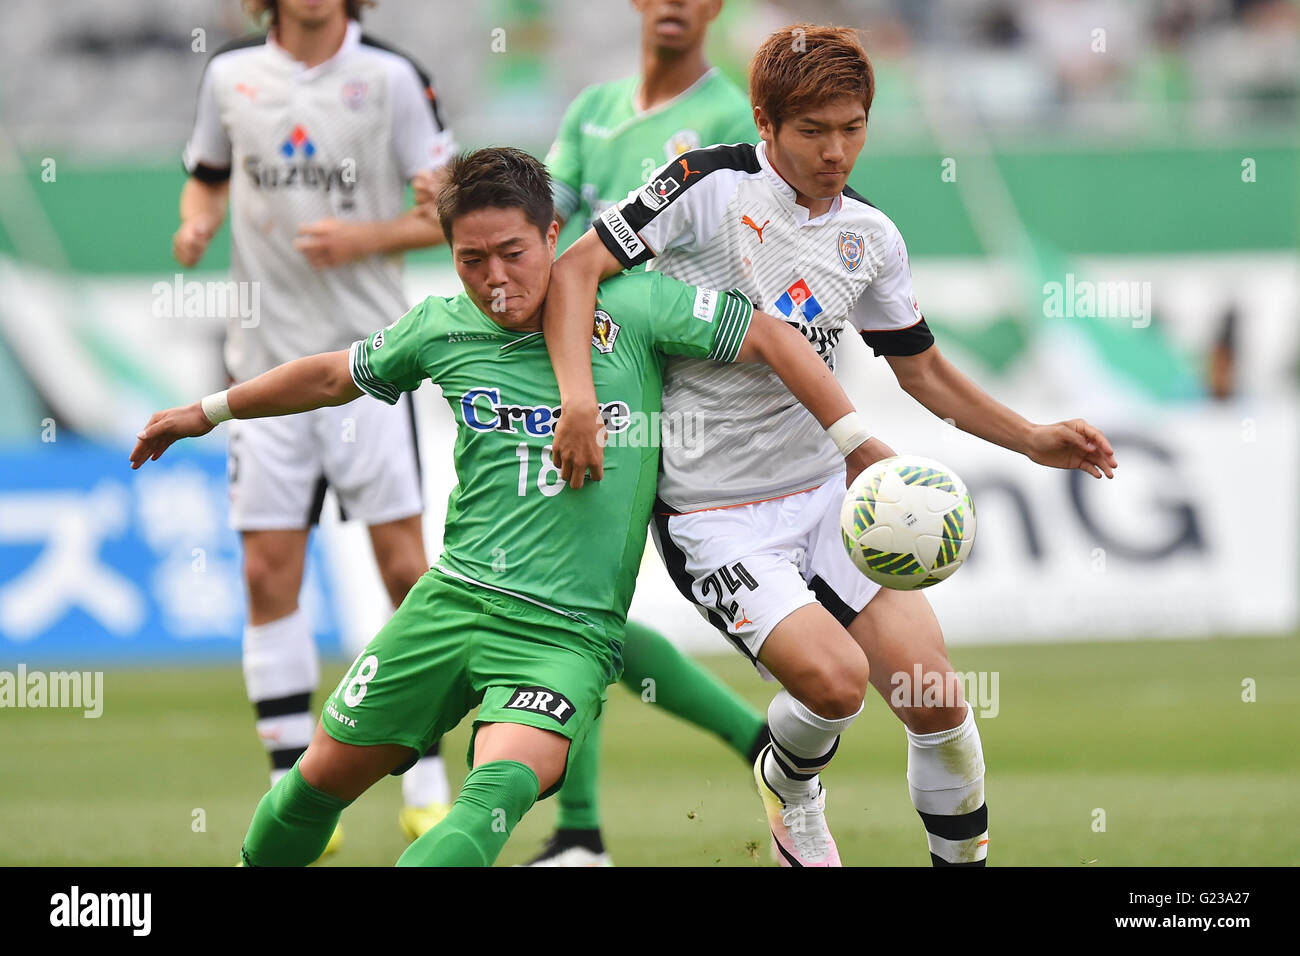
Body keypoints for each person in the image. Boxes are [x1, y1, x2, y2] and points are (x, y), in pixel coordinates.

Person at [131, 146, 881, 867]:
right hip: (449, 603)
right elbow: (333, 375)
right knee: (314, 785)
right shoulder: (439, 327)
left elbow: (772, 335)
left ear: (554, 235)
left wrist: (854, 443)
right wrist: (206, 412)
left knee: (492, 794)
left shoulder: (638, 306)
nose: (493, 279)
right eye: (470, 260)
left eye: (512, 254)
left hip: (565, 635)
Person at [543, 24, 1118, 866]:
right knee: (836, 683)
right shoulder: (704, 184)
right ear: (765, 122)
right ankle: (789, 780)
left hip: (824, 498)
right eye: (813, 131)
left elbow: (922, 373)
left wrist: (1030, 436)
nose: (836, 150)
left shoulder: (870, 236)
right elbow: (572, 269)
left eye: (853, 128)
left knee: (939, 701)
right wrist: (578, 399)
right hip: (715, 511)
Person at [174, 0, 457, 849]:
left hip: (369, 367)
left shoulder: (393, 78)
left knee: (407, 572)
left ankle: (429, 780)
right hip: (262, 370)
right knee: (267, 575)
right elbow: (208, 171)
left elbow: (445, 213)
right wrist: (198, 219)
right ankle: (292, 790)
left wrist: (365, 238)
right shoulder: (229, 75)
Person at [507, 0, 769, 867]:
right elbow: (548, 219)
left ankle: (582, 832)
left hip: (658, 365)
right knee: (585, 615)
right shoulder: (592, 108)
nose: (674, 5)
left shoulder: (733, 116)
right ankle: (752, 746)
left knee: (571, 612)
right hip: (574, 355)